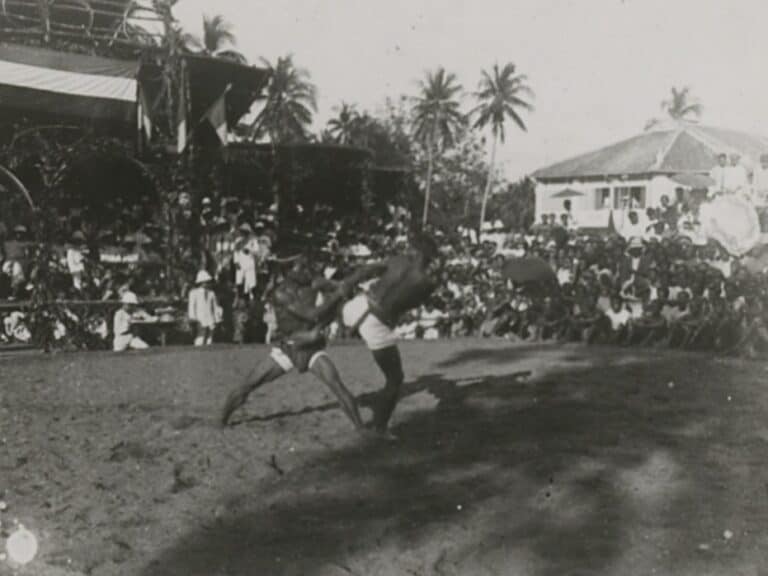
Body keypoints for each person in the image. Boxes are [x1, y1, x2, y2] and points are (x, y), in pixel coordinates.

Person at [219, 254, 368, 435]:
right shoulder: (281, 293)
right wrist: (337, 295)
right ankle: (220, 421)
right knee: (249, 384)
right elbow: (310, 315)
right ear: (288, 270)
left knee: (337, 385)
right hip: (289, 347)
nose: (307, 271)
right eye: (301, 267)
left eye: (307, 266)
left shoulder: (314, 282)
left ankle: (361, 429)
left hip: (311, 347)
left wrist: (351, 284)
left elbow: (342, 285)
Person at [338, 234, 442, 435]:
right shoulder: (427, 281)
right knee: (395, 379)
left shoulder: (398, 261)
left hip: (360, 305)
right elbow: (413, 303)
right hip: (377, 322)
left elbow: (366, 270)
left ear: (415, 251)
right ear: (428, 256)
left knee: (331, 311)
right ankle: (380, 428)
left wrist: (347, 284)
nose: (407, 251)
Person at [188, 270, 220, 346]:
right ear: (201, 282)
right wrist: (192, 317)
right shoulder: (194, 293)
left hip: (210, 318)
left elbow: (215, 306)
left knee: (210, 337)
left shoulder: (211, 293)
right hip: (200, 318)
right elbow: (192, 306)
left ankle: (209, 350)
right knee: (200, 337)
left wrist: (217, 317)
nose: (207, 283)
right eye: (205, 282)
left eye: (208, 282)